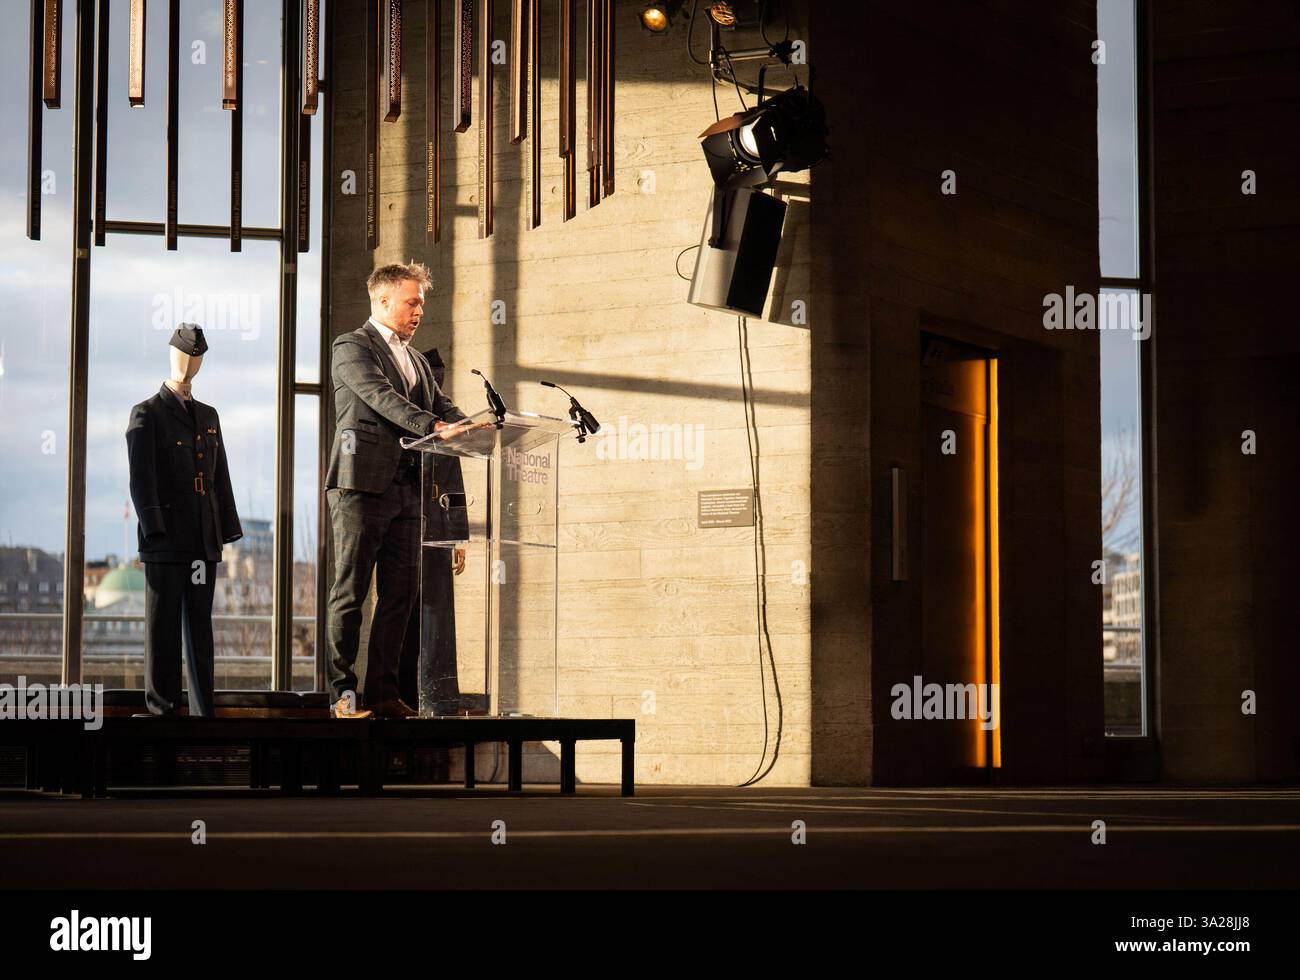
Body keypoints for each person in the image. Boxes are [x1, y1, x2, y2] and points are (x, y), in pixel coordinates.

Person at [323, 262, 470, 719]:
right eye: (412, 302)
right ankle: (342, 696)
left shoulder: (419, 360)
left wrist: (474, 425)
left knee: (400, 595)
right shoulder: (351, 347)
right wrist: (436, 426)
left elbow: (442, 405)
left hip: (409, 491)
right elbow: (383, 399)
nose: (419, 311)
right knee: (350, 593)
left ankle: (383, 693)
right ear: (382, 301)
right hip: (360, 488)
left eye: (422, 303)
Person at [126, 324, 242, 717]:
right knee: (162, 630)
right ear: (170, 354)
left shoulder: (209, 416)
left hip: (201, 541)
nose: (189, 364)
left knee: (199, 627)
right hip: (164, 541)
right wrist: (153, 528)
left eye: (196, 357)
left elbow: (219, 476)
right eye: (184, 355)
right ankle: (161, 711)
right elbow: (141, 478)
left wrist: (226, 528)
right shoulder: (147, 413)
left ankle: (201, 711)